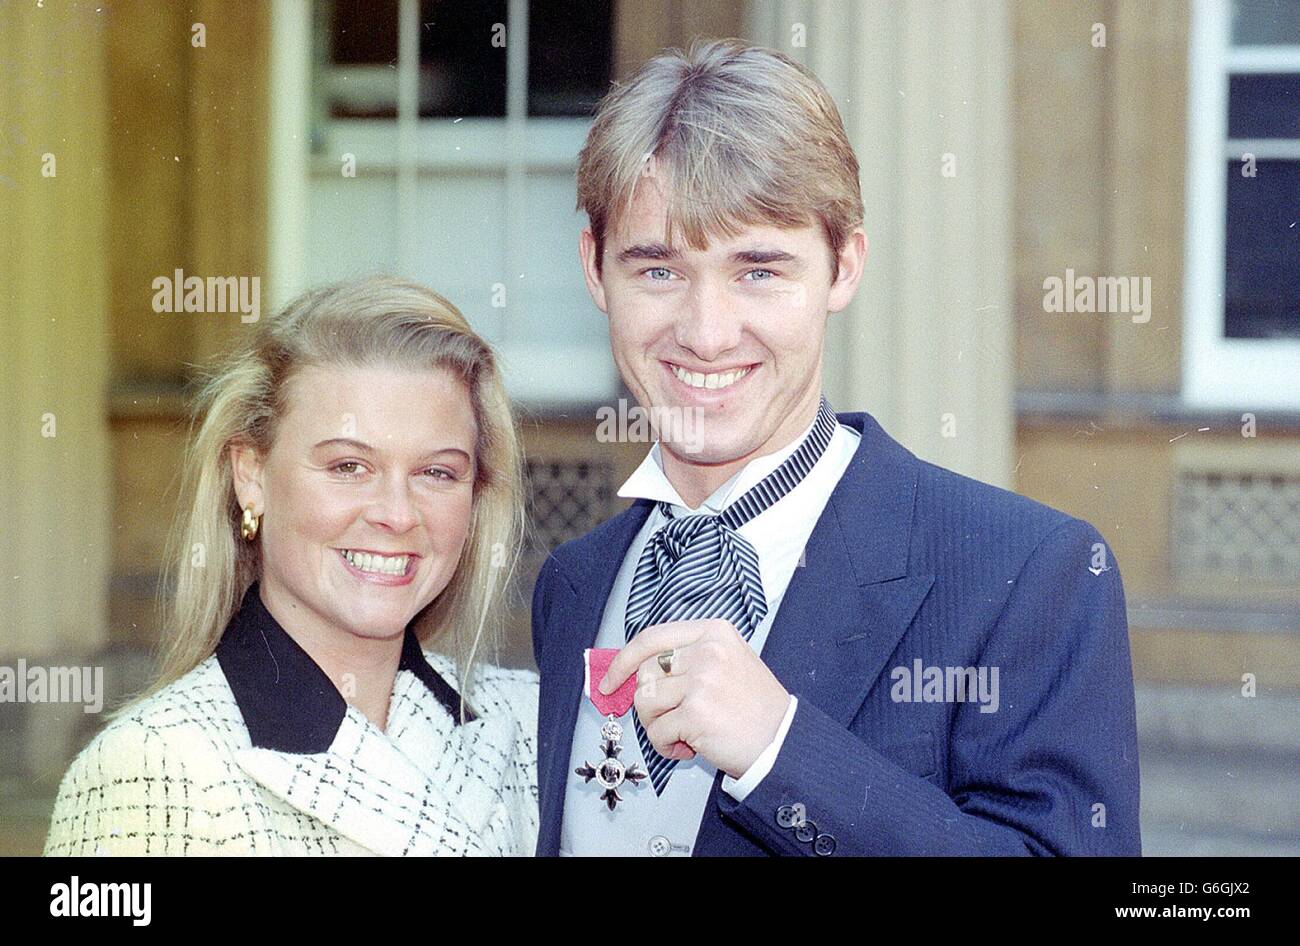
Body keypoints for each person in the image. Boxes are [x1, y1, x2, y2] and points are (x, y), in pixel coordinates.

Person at [531, 39, 1141, 856]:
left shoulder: (1029, 574)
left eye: (759, 271)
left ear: (844, 265)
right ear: (595, 272)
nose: (707, 334)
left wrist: (781, 751)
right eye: (658, 272)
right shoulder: (573, 584)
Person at [44, 276, 538, 856]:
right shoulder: (149, 769)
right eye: (348, 466)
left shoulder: (530, 721)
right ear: (251, 475)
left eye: (437, 473)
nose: (398, 515)